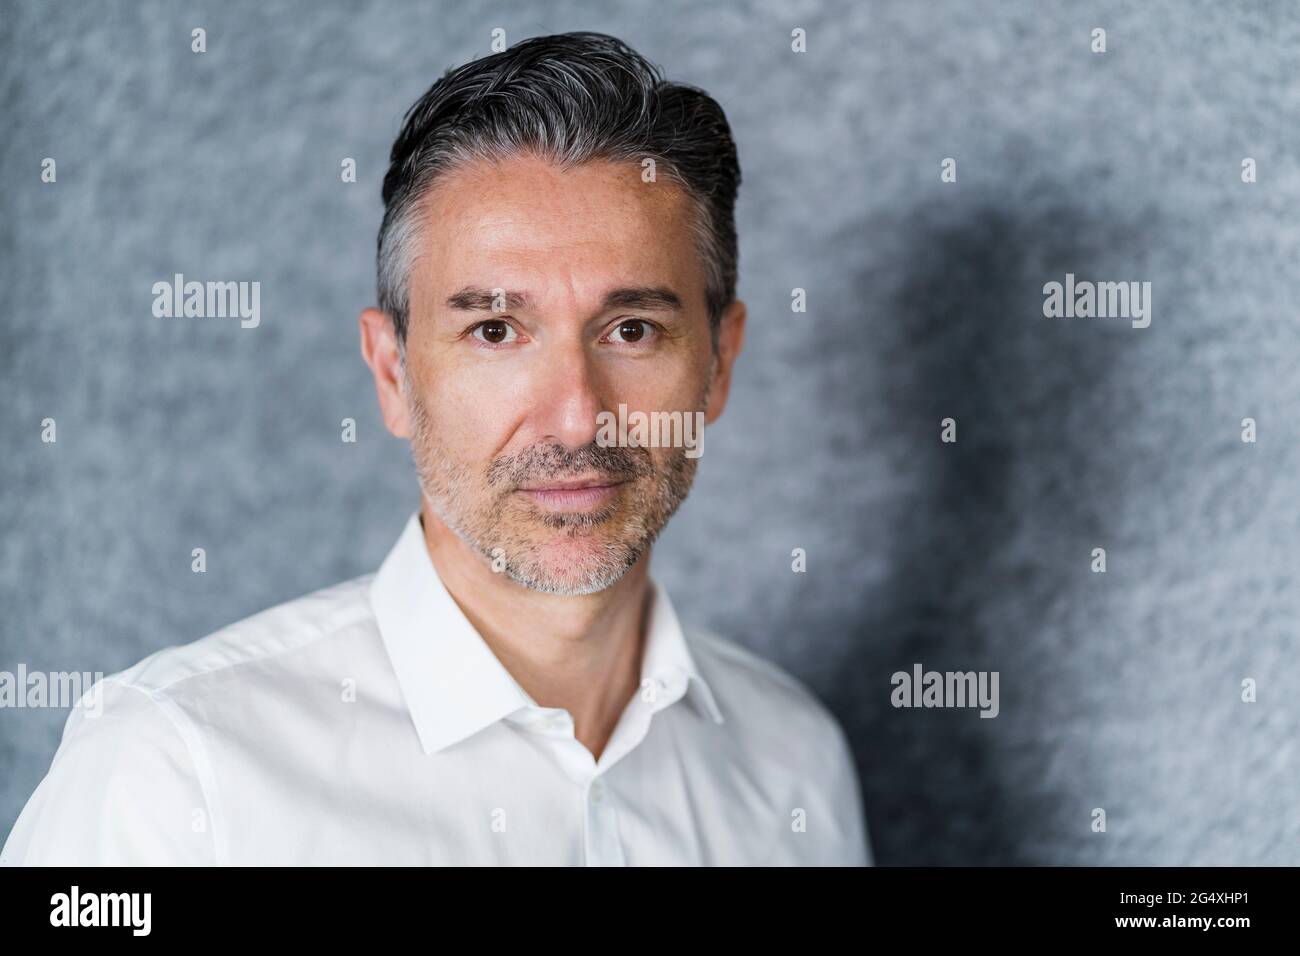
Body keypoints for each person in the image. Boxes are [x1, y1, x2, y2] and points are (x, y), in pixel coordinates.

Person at [2, 31, 870, 866]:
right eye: (495, 330)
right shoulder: (174, 779)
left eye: (632, 329)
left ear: (718, 364)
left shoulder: (793, 763)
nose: (575, 418)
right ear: (392, 375)